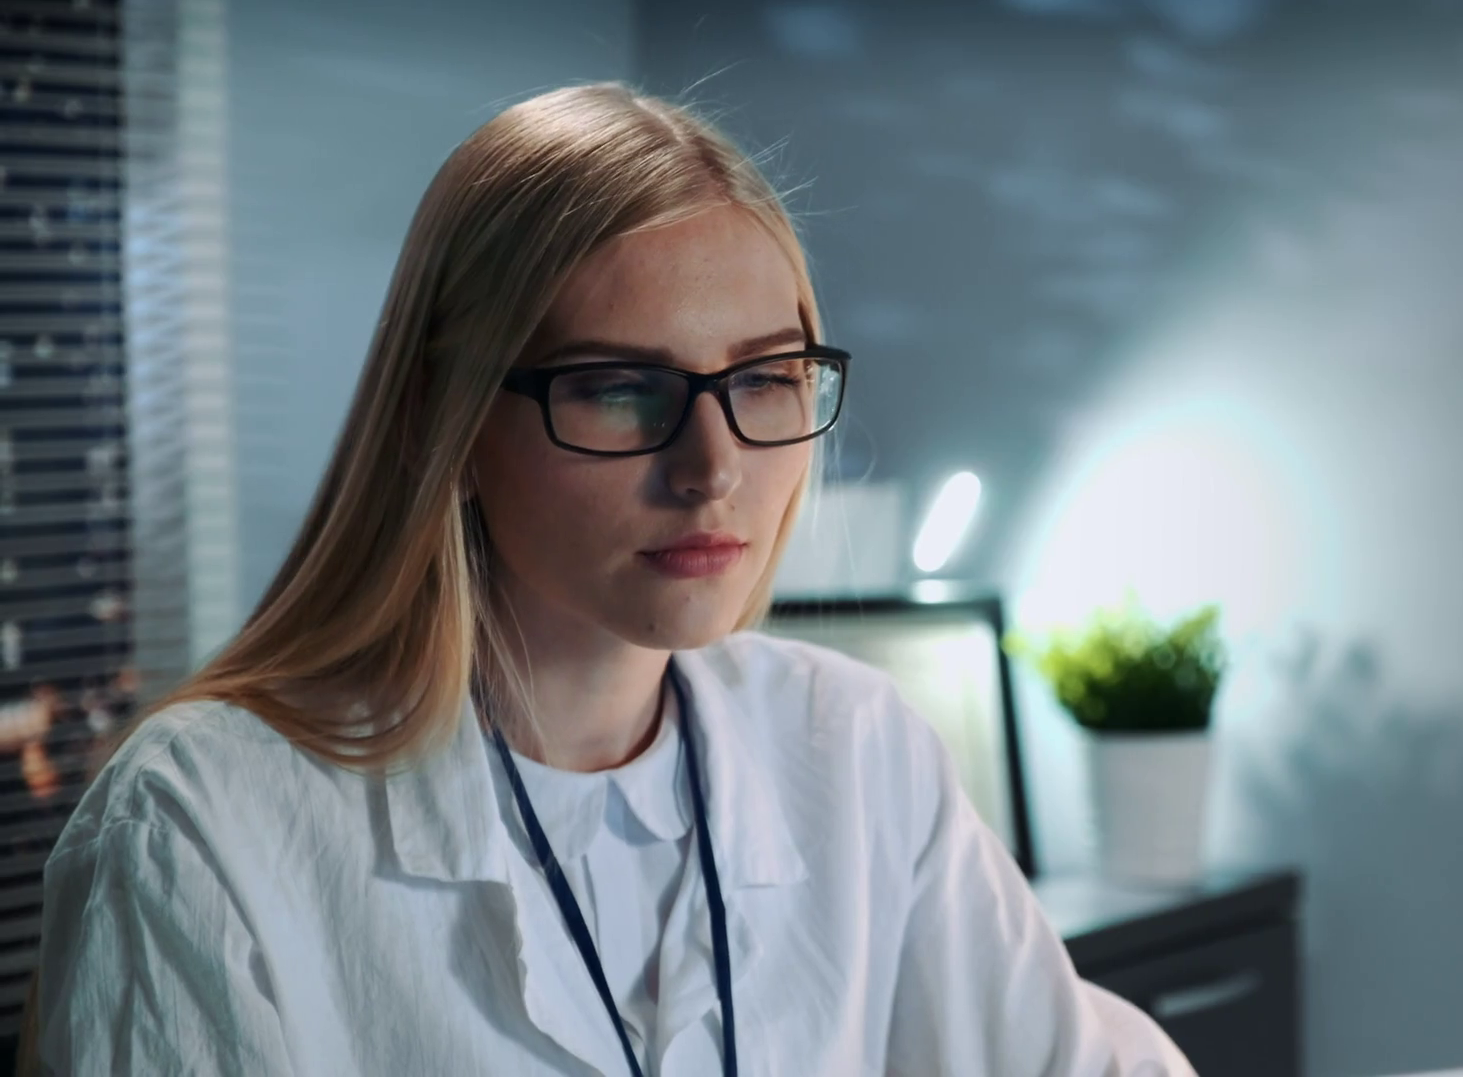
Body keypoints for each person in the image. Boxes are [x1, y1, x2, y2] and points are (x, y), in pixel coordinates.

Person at [28, 84, 1196, 1076]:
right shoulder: (201, 825)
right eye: (617, 388)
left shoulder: (853, 744)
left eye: (766, 378)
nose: (713, 469)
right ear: (454, 425)